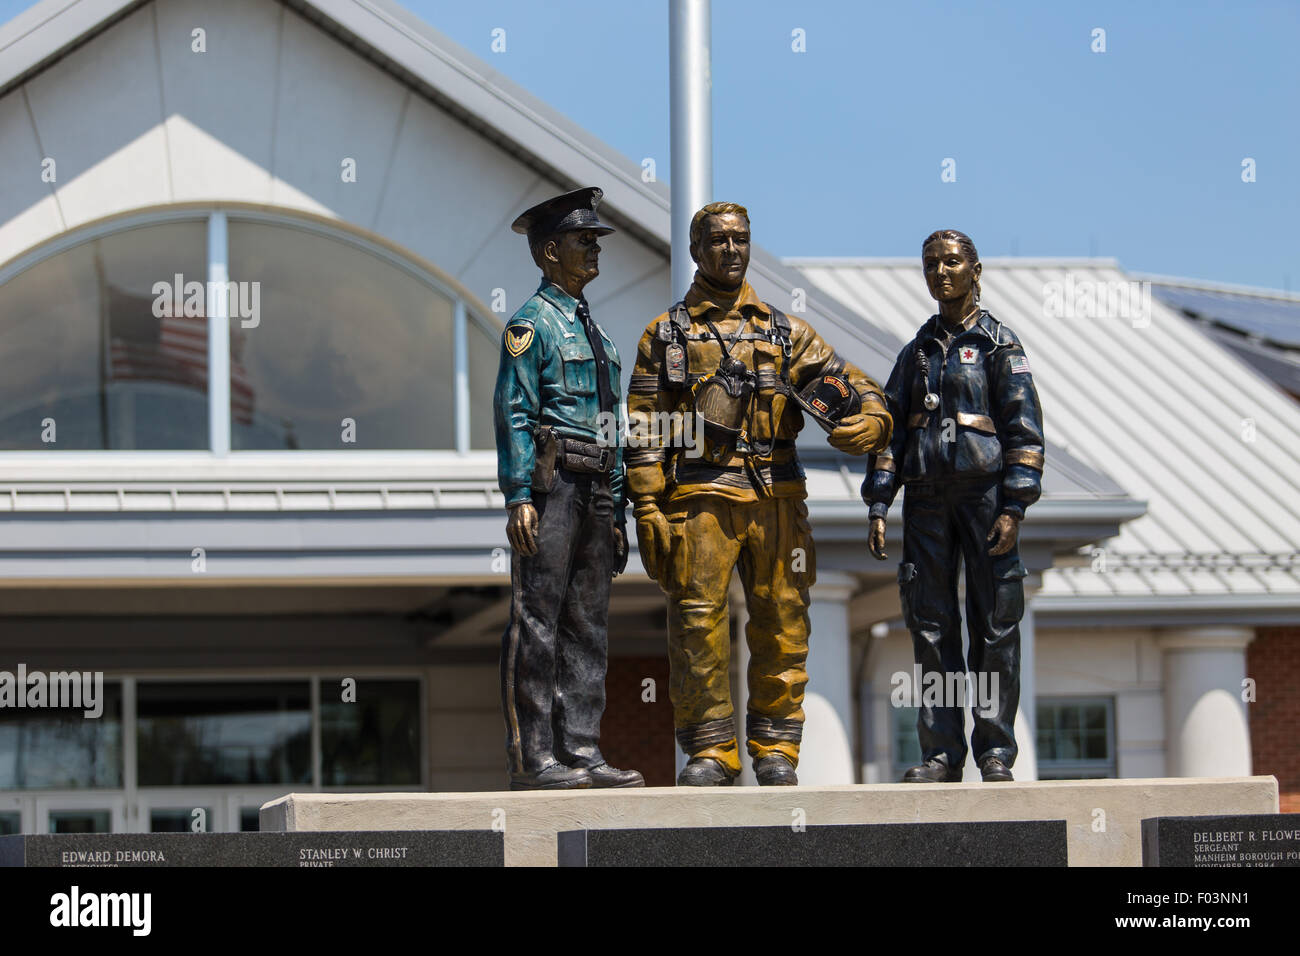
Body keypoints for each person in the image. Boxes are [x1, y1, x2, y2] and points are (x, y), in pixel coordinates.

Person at [627, 201, 892, 786]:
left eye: (741, 239)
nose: (731, 250)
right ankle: (711, 752)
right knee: (698, 624)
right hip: (698, 501)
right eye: (718, 240)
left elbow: (853, 388)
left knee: (784, 620)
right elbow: (644, 424)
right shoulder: (666, 334)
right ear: (696, 250)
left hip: (777, 499)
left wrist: (873, 420)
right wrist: (646, 502)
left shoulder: (783, 330)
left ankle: (776, 748)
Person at [864, 229, 1045, 783]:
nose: (940, 272)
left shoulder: (998, 345)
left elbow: (1025, 431)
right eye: (930, 264)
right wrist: (878, 501)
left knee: (995, 624)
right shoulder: (915, 352)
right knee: (931, 626)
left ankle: (994, 749)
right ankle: (941, 752)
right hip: (925, 502)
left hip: (985, 498)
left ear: (975, 269)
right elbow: (890, 431)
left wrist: (1014, 505)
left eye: (950, 262)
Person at [493, 186, 643, 790]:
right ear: (550, 251)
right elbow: (515, 411)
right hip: (552, 487)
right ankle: (535, 756)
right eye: (584, 240)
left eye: (596, 238)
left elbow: (613, 423)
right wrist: (518, 495)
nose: (595, 248)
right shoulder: (530, 325)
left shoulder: (599, 336)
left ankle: (581, 749)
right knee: (538, 619)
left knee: (588, 624)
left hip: (595, 488)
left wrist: (617, 506)